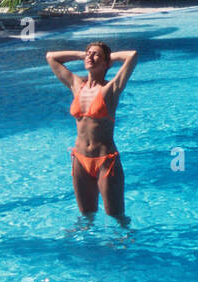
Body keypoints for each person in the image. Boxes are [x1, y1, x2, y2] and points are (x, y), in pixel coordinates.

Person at [46, 42, 138, 220]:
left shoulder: (111, 89)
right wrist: (83, 55)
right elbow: (51, 57)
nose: (90, 57)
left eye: (96, 55)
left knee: (116, 217)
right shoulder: (76, 85)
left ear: (106, 63)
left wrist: (110, 57)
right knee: (86, 215)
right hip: (80, 159)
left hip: (106, 161)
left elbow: (132, 55)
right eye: (88, 53)